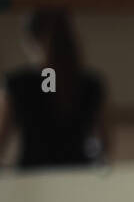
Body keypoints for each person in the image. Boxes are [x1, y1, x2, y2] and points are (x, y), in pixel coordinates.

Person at [0, 9, 110, 170]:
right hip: (76, 176)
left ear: (30, 39)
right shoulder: (91, 84)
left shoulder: (18, 84)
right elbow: (104, 144)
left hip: (32, 178)